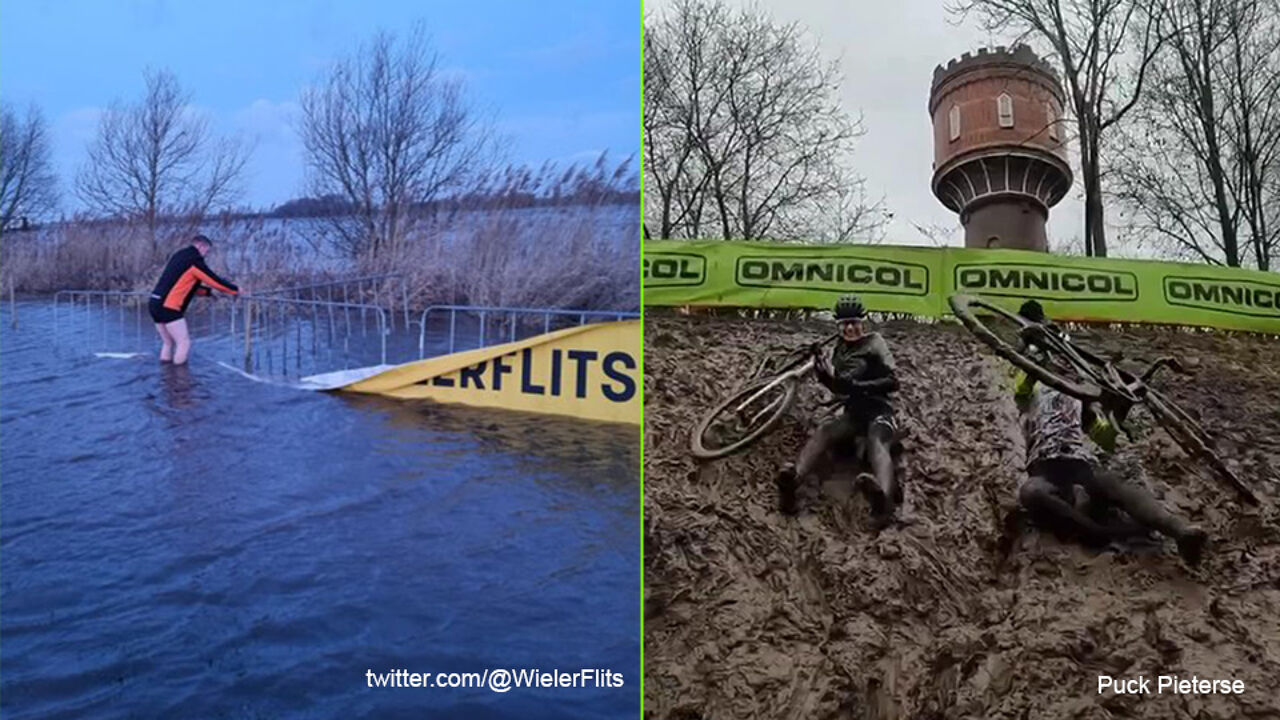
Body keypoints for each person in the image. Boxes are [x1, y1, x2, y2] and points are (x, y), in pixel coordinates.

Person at [1011, 300, 1208, 566]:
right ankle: (1096, 530)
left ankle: (1180, 531)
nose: (1058, 367)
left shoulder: (1079, 395)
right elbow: (1022, 388)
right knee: (1032, 492)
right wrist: (1035, 358)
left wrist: (1120, 409)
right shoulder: (1029, 391)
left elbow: (1104, 437)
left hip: (1081, 467)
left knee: (1116, 486)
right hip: (1044, 470)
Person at [776, 294, 902, 528]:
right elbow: (839, 387)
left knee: (877, 439)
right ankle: (792, 483)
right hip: (853, 414)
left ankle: (883, 502)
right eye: (845, 324)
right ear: (838, 325)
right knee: (825, 430)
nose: (851, 328)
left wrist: (858, 386)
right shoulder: (839, 351)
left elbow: (893, 382)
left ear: (862, 323)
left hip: (879, 411)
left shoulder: (875, 342)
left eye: (855, 322)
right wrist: (822, 371)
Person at [148, 235, 239, 364]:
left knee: (168, 343)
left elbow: (186, 284)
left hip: (154, 302)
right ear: (201, 246)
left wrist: (209, 293)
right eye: (206, 251)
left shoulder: (179, 255)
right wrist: (235, 290)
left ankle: (165, 375)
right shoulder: (194, 260)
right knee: (183, 343)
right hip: (168, 307)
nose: (205, 255)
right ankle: (179, 380)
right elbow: (213, 280)